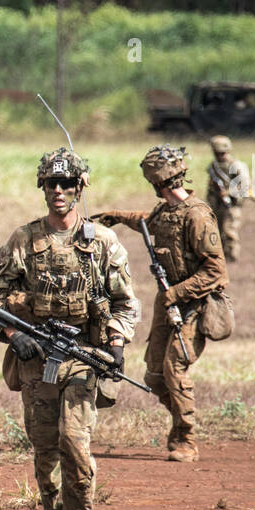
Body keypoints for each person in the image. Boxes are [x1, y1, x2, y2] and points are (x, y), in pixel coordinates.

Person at [0, 148, 139, 510]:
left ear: (79, 188)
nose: (59, 191)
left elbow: (125, 303)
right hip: (37, 361)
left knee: (75, 443)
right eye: (52, 183)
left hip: (83, 355)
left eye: (67, 184)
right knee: (45, 449)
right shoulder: (24, 239)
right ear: (43, 187)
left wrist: (116, 344)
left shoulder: (102, 242)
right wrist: (14, 335)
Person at [92, 144, 229, 462]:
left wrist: (176, 294)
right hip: (167, 303)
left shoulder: (197, 215)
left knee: (174, 368)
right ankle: (180, 419)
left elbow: (216, 271)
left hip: (194, 305)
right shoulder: (167, 211)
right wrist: (116, 216)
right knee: (154, 375)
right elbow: (147, 221)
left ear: (157, 180)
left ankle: (187, 439)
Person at [204, 135, 251, 263]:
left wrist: (228, 193)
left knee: (229, 231)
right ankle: (221, 259)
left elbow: (245, 186)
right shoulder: (214, 166)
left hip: (232, 205)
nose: (219, 156)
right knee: (216, 232)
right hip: (217, 204)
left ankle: (231, 258)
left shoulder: (236, 165)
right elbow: (211, 187)